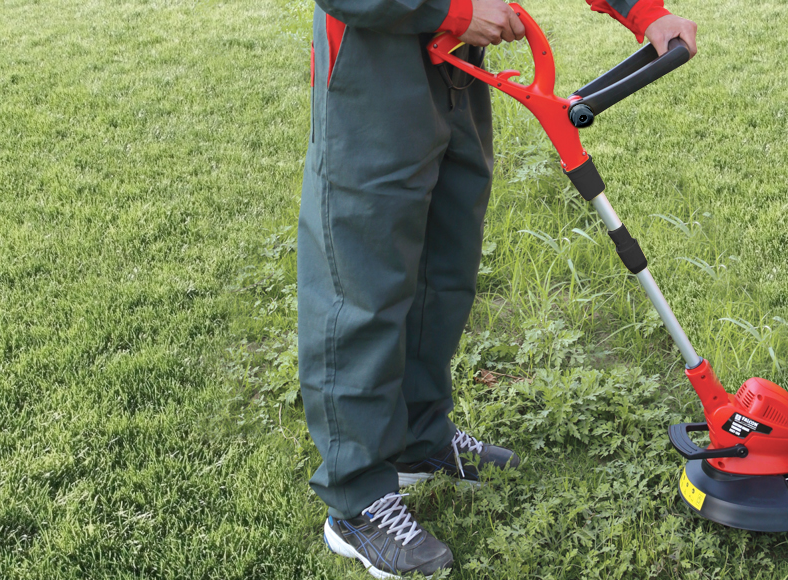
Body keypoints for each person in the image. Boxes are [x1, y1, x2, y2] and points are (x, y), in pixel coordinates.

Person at [298, 0, 697, 575]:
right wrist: (453, 9)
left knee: (446, 266)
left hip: (458, 70)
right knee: (362, 287)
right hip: (373, 71)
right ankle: (355, 499)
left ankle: (419, 435)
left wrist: (644, 13)